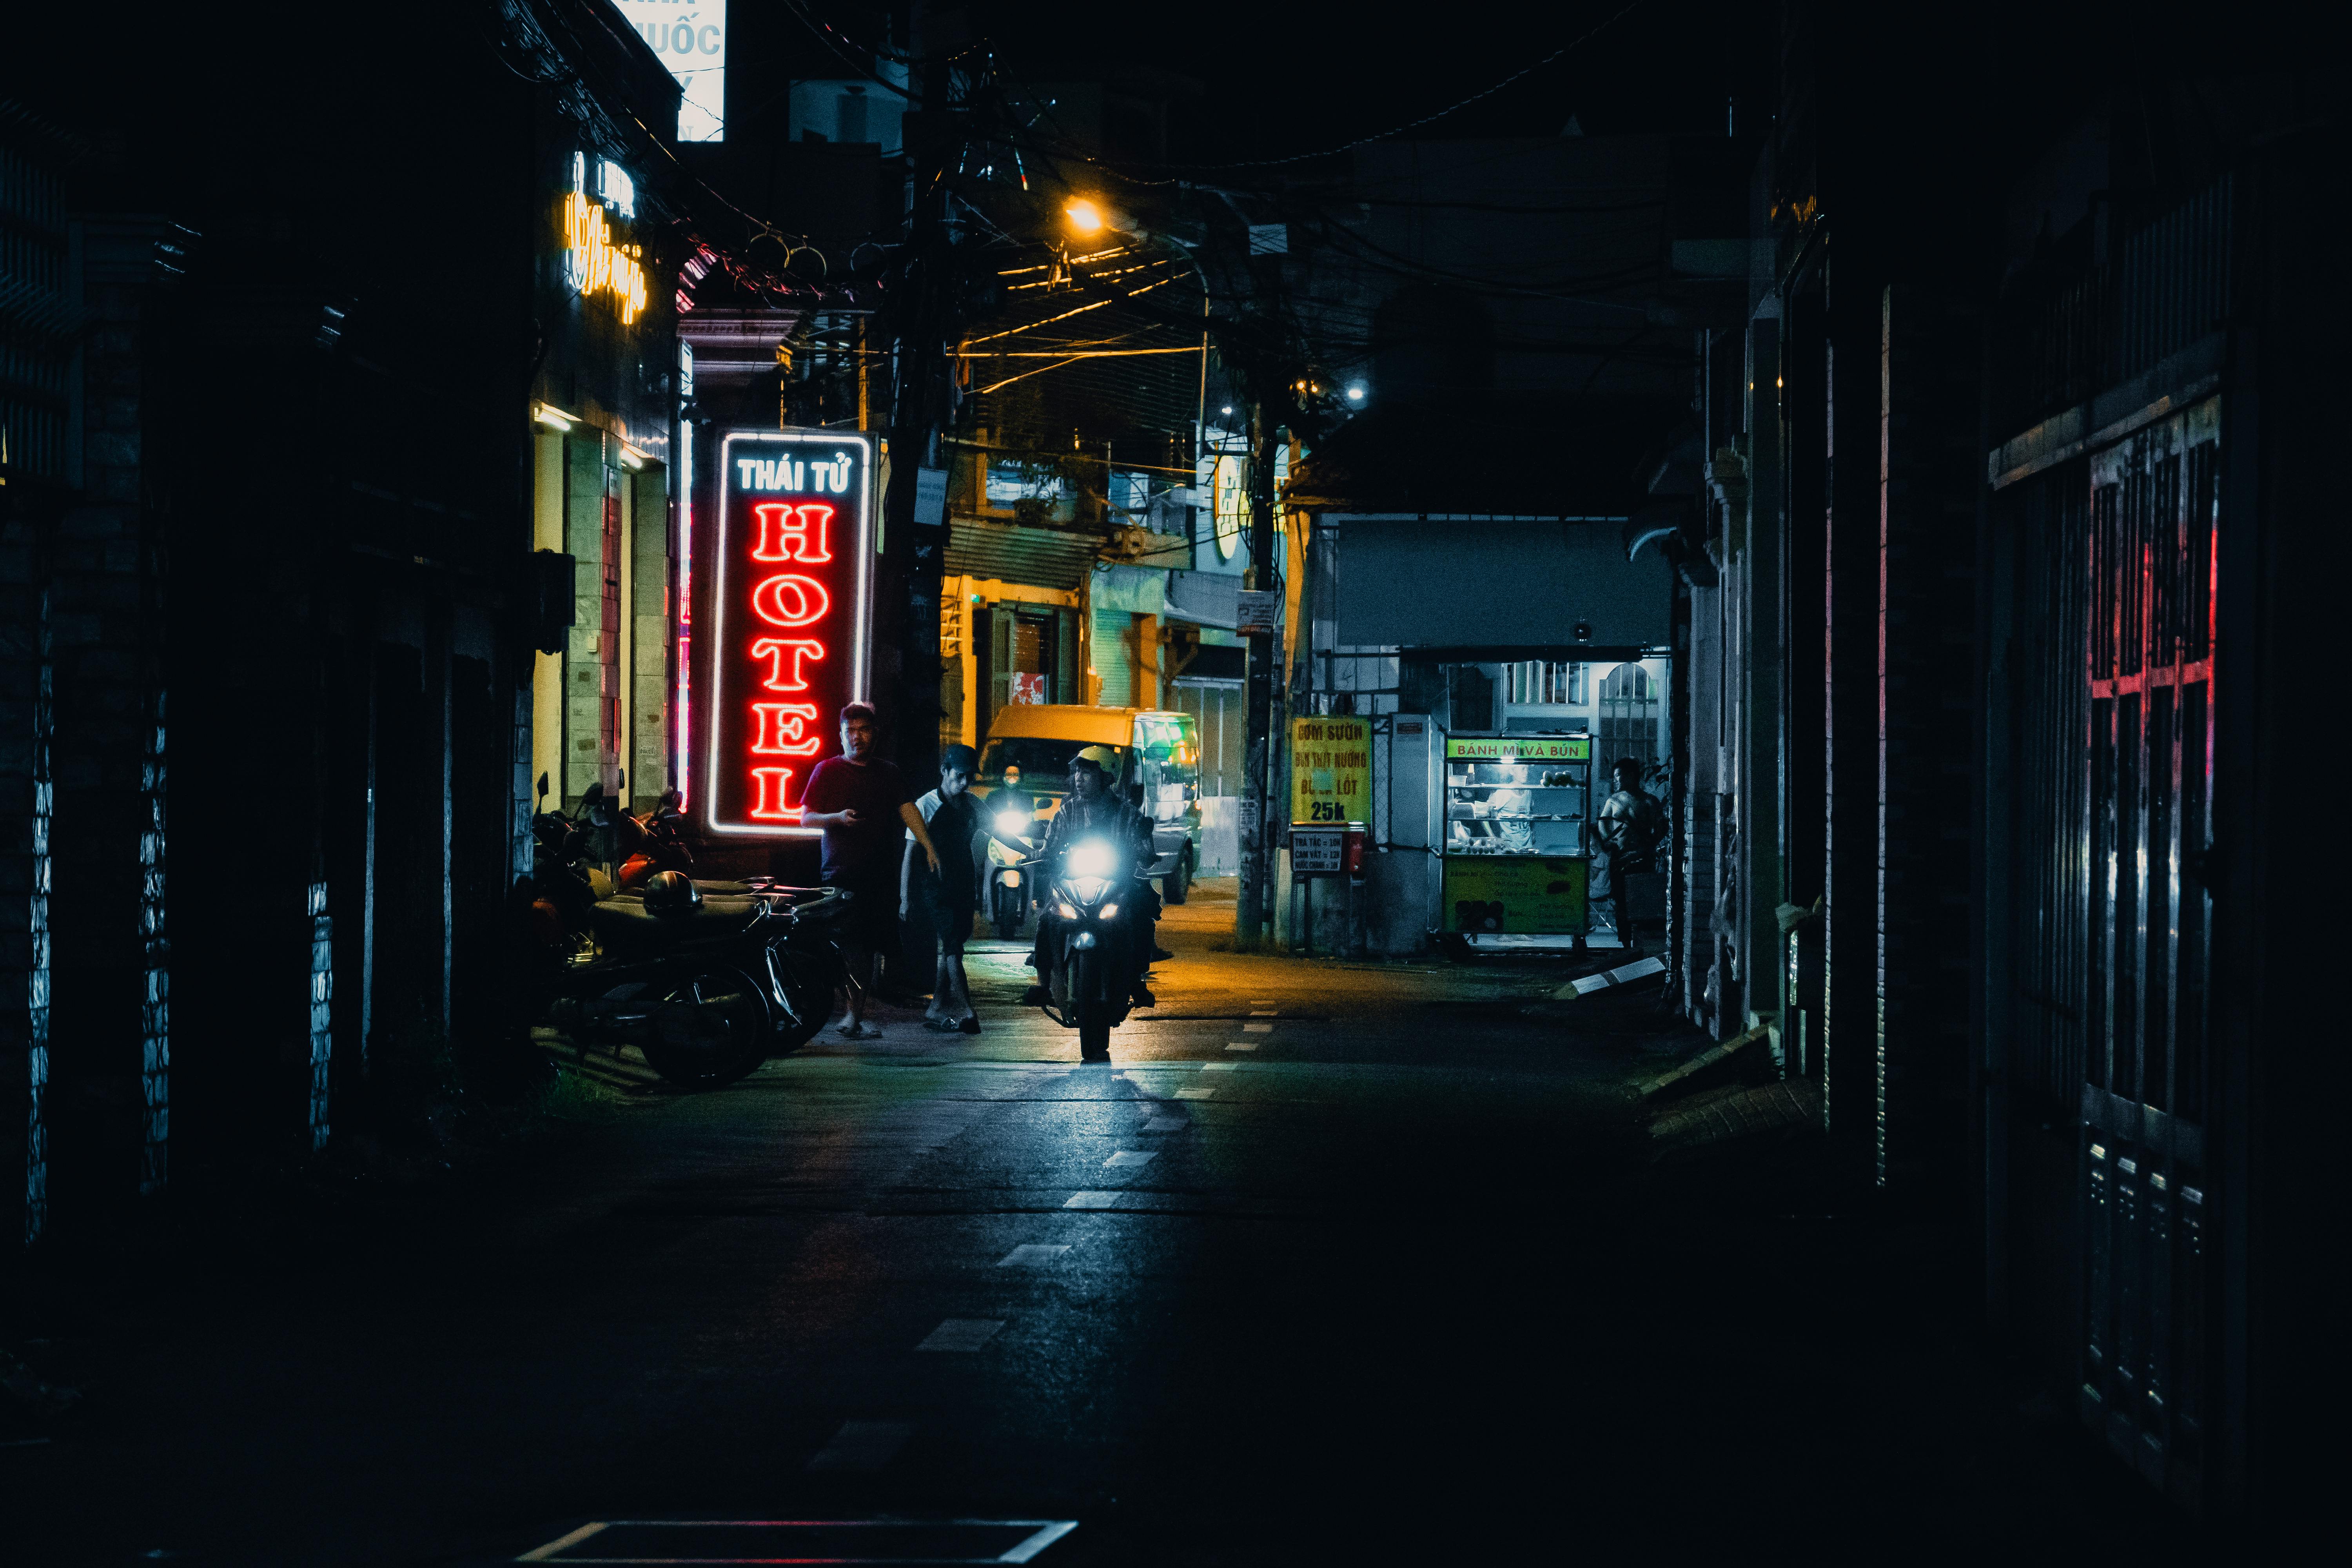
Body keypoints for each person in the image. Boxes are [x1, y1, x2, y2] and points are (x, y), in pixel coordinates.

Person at [800, 703, 940, 1038]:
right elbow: (806, 817)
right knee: (848, 947)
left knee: (871, 947)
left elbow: (908, 811)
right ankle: (848, 1012)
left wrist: (930, 848)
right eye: (850, 731)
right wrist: (837, 818)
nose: (856, 737)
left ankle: (855, 1014)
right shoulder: (827, 770)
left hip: (878, 875)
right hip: (839, 874)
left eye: (862, 730)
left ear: (874, 733)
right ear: (840, 735)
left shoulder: (888, 773)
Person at [901, 743, 1024, 1036]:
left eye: (970, 777)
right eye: (960, 776)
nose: (965, 783)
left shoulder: (972, 805)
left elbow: (999, 832)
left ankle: (937, 1004)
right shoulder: (926, 806)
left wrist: (1031, 849)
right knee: (953, 945)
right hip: (935, 885)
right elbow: (909, 853)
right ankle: (967, 1010)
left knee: (956, 943)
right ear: (944, 772)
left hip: (963, 881)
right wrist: (904, 898)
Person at [1022, 746, 1158, 1010]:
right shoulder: (1066, 812)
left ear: (1107, 777)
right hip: (1073, 884)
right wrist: (1039, 856)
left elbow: (1145, 851)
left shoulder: (1127, 814)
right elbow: (1049, 848)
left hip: (1117, 885)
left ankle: (1137, 979)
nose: (1079, 778)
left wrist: (1145, 848)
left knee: (1142, 915)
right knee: (1048, 918)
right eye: (1078, 772)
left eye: (1087, 772)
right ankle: (1043, 984)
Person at [1593, 756, 1667, 955]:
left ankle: (1640, 943)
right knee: (1621, 900)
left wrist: (1649, 844)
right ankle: (1626, 942)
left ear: (1631, 776)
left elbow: (1661, 827)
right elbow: (1602, 823)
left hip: (1643, 858)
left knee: (1641, 900)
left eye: (1619, 776)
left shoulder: (1649, 801)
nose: (1615, 781)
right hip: (1620, 858)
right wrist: (1610, 842)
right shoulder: (1613, 800)